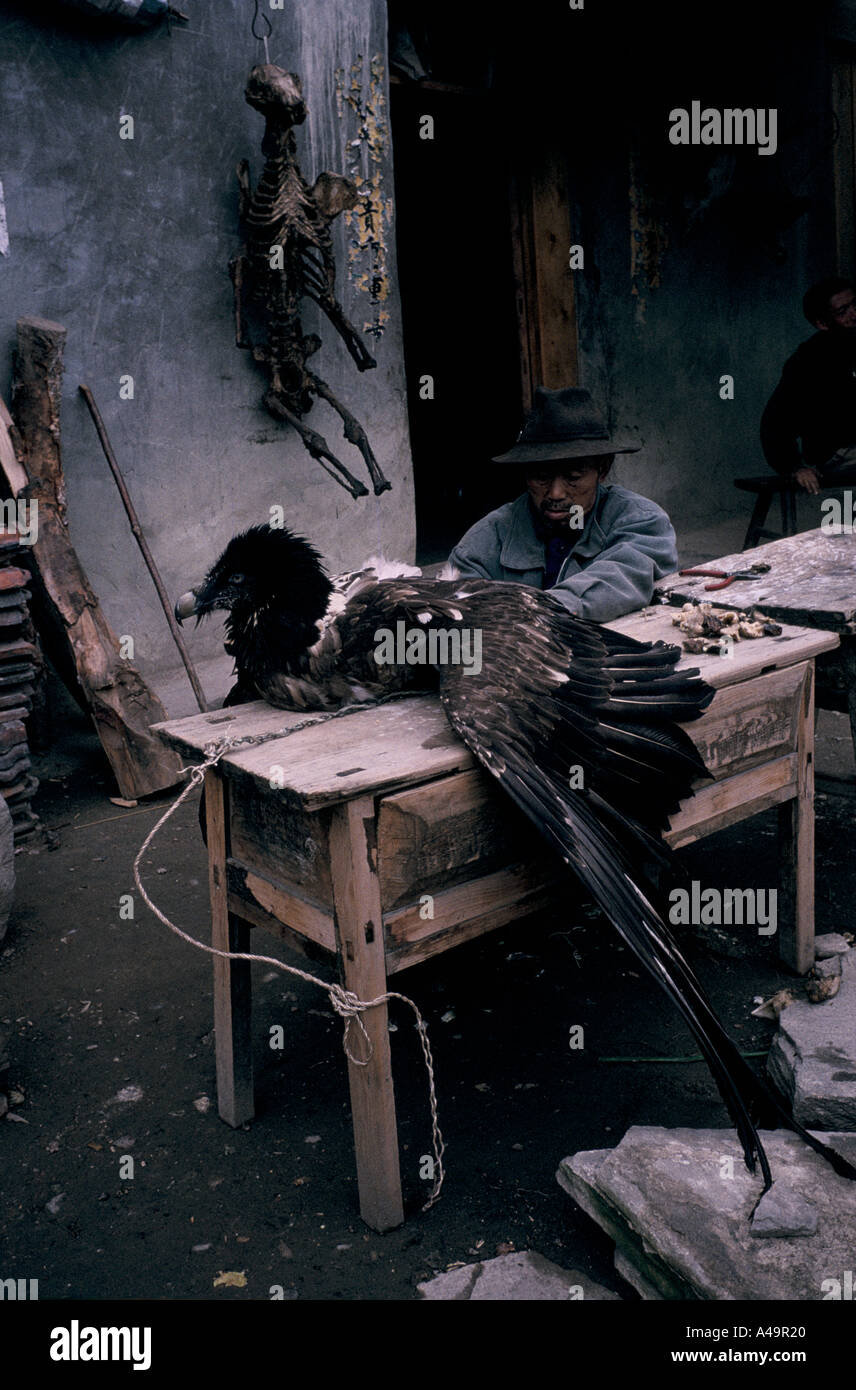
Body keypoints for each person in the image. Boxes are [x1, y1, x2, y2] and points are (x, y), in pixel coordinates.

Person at [448, 386, 678, 623]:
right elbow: (453, 610)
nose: (556, 493)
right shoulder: (487, 539)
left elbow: (625, 573)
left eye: (573, 477)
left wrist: (537, 613)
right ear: (526, 475)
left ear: (603, 469)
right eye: (541, 477)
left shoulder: (640, 520)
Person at [761, 277, 856, 495]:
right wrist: (795, 467)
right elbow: (775, 423)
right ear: (822, 323)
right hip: (837, 453)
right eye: (843, 312)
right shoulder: (808, 361)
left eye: (855, 304)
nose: (854, 314)